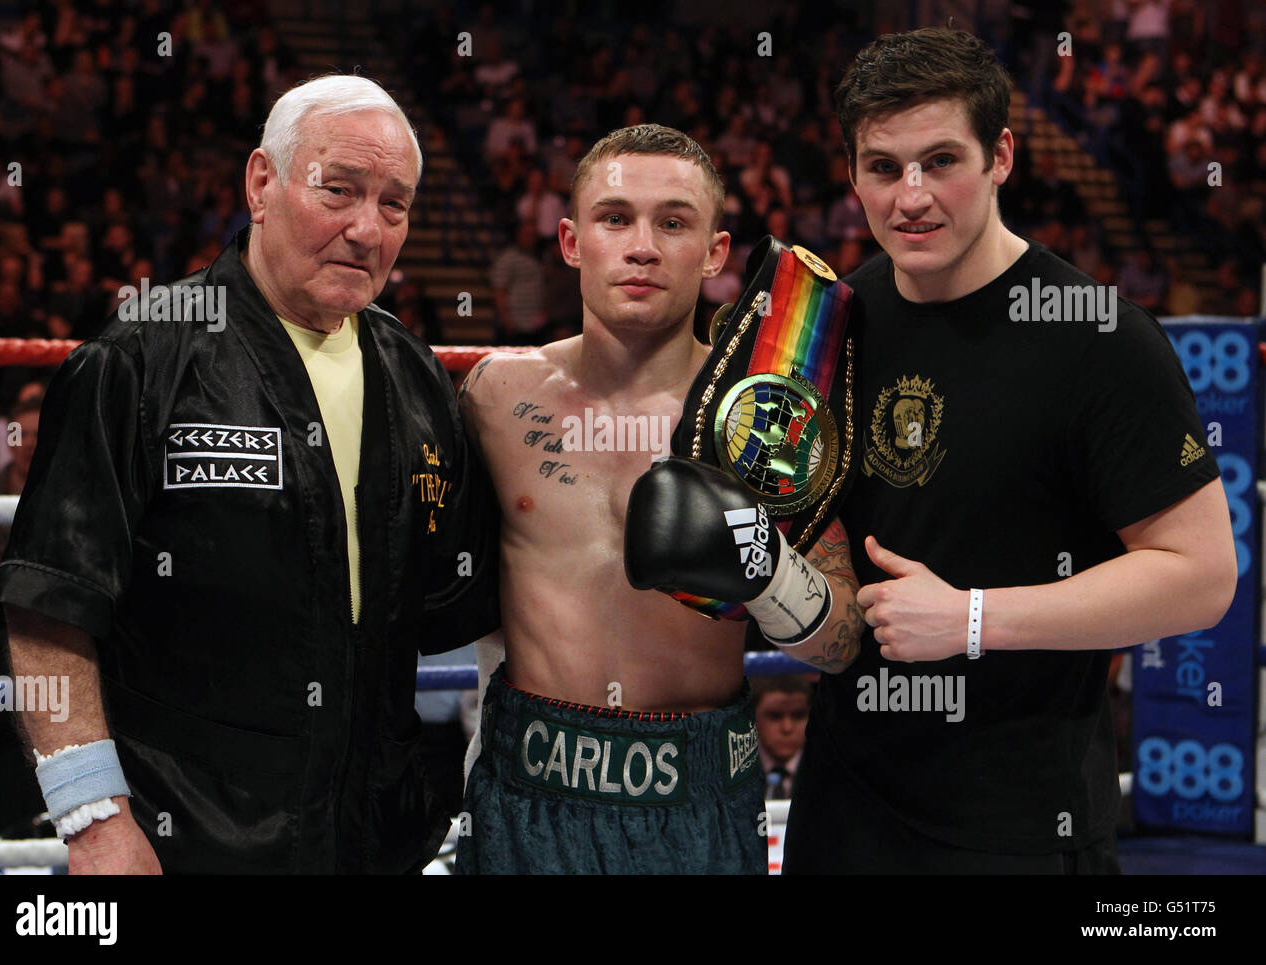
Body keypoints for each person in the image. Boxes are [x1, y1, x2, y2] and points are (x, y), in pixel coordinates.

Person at [0, 74, 499, 874]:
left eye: (394, 205)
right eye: (339, 190)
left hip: (374, 840)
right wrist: (92, 819)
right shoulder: (142, 355)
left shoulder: (416, 376)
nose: (366, 228)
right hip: (182, 839)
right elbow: (50, 605)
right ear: (262, 183)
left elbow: (464, 602)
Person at [783, 27, 1236, 874]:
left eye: (940, 160)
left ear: (1001, 157)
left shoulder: (1099, 340)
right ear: (851, 175)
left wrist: (976, 618)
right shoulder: (834, 318)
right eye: (883, 167)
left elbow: (1202, 576)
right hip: (845, 805)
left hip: (1022, 819)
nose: (911, 196)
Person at [454, 124, 863, 875]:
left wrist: (763, 566)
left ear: (714, 252)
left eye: (673, 222)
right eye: (616, 218)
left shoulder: (766, 418)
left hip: (700, 794)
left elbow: (840, 643)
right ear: (571, 241)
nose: (642, 246)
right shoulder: (496, 399)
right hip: (527, 788)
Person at [752, 675, 812, 801]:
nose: (787, 728)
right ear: (753, 717)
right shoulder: (735, 772)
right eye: (775, 716)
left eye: (798, 715)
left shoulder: (829, 769)